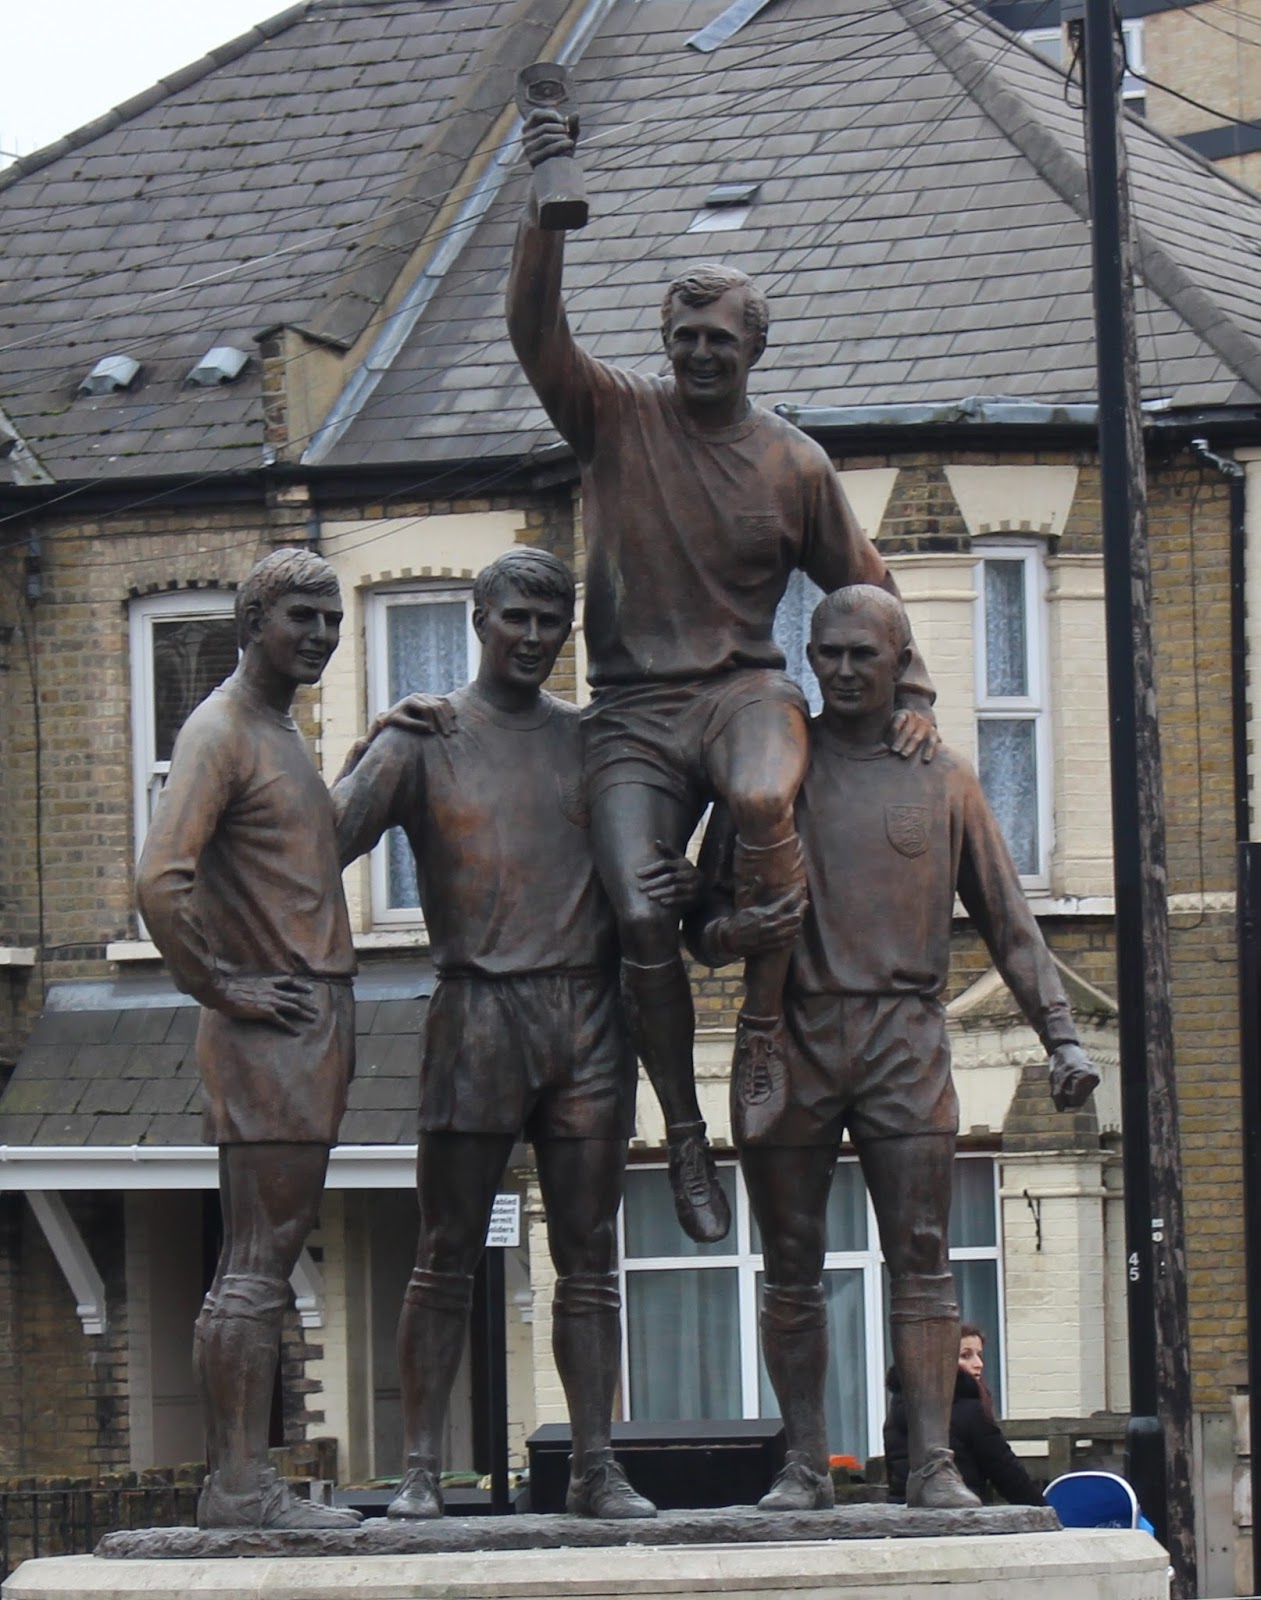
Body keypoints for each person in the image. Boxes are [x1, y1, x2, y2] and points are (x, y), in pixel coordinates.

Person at [508, 110, 939, 1246]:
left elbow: (866, 586)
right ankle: (687, 1130)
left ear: (756, 349)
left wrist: (918, 696)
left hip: (743, 690)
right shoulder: (613, 417)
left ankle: (756, 1018)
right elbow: (532, 329)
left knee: (762, 798)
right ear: (664, 339)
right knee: (641, 909)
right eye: (685, 335)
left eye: (721, 340)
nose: (701, 353)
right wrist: (541, 202)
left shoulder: (795, 462)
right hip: (632, 713)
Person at [682, 583, 1099, 1511]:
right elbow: (701, 917)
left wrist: (1061, 1038)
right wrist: (731, 938)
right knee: (789, 1259)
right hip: (791, 1032)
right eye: (825, 652)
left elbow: (1008, 920)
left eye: (860, 654)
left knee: (920, 1252)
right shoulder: (771, 771)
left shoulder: (942, 776)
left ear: (898, 659)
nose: (839, 669)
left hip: (904, 1034)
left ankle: (932, 1464)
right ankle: (802, 1464)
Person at [332, 547, 659, 1521]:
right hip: (475, 1011)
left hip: (588, 1017)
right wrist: (363, 744)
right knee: (445, 1247)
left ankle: (596, 1463)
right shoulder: (424, 739)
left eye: (549, 620)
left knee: (591, 1252)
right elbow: (317, 837)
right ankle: (423, 1468)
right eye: (514, 616)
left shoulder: (597, 739)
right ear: (478, 618)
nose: (531, 636)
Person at [136, 547, 362, 1531]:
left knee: (264, 1251)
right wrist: (220, 984)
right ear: (251, 622)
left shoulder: (279, 734)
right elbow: (159, 879)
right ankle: (237, 1483)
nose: (317, 634)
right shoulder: (222, 729)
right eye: (300, 617)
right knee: (257, 1259)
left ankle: (245, 1477)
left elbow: (302, 856)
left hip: (307, 1026)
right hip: (272, 1030)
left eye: (330, 618)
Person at [884, 1325, 1044, 1506]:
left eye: (979, 1355)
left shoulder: (895, 1412)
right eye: (965, 1355)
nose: (978, 1364)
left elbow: (896, 1476)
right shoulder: (969, 1410)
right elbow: (1007, 1473)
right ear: (938, 1360)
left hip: (907, 1520)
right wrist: (1046, 1513)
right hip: (960, 1517)